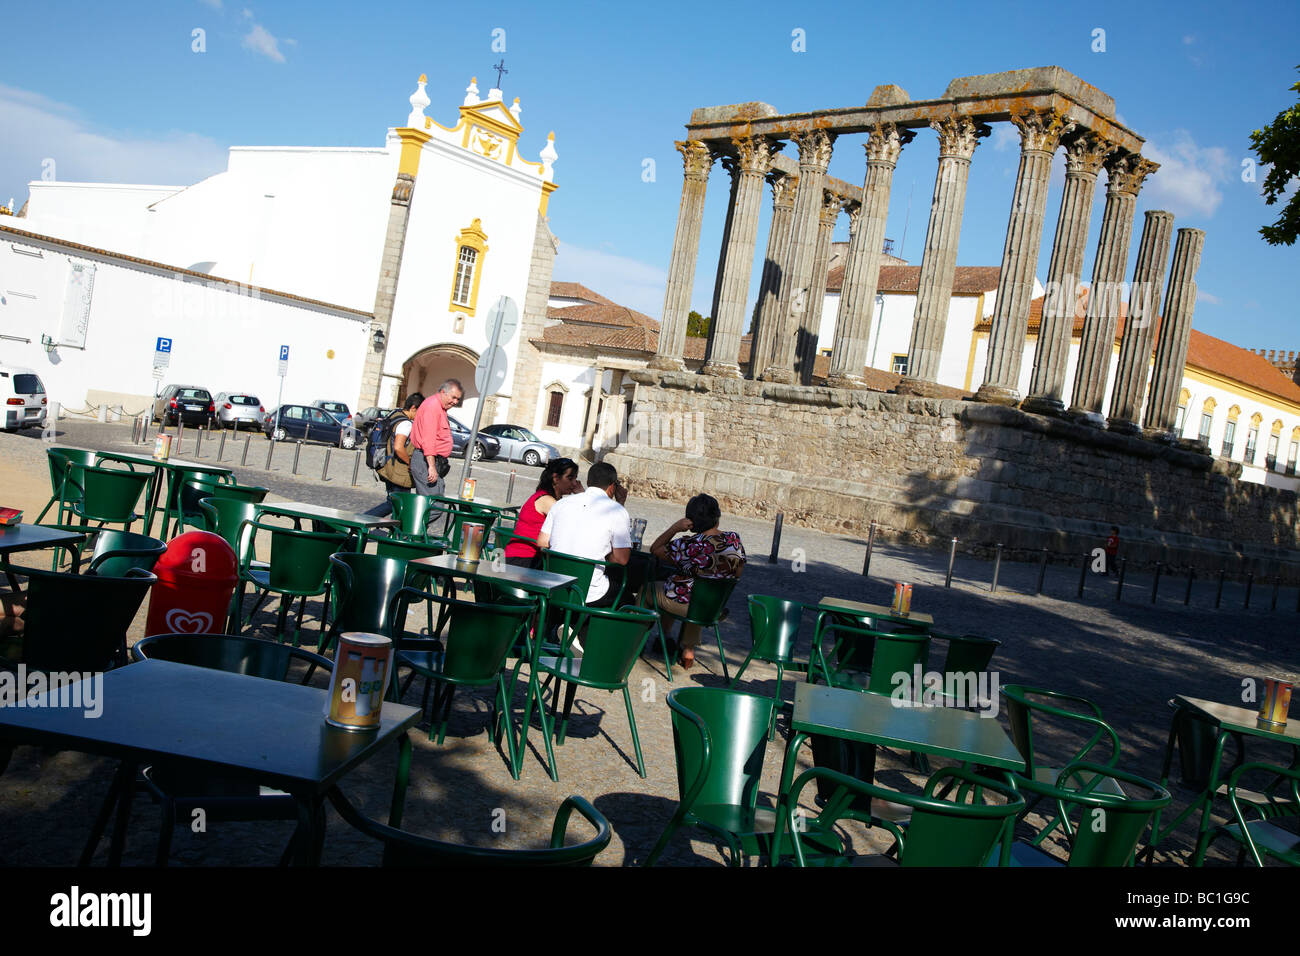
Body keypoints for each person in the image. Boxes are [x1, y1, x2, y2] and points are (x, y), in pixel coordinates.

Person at [649, 494, 745, 669]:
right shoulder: (734, 540)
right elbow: (738, 572)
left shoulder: (688, 545)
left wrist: (675, 528)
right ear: (717, 517)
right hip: (714, 607)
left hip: (687, 604)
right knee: (696, 590)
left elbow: (655, 549)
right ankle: (688, 649)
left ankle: (644, 636)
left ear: (691, 521)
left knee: (653, 589)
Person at [537, 461, 630, 607]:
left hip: (554, 585)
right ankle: (580, 628)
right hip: (589, 593)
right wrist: (604, 555)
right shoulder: (617, 511)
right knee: (627, 598)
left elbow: (542, 541)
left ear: (588, 482)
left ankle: (569, 626)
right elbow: (622, 559)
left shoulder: (561, 504)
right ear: (612, 486)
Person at [505, 458, 582, 568]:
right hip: (523, 560)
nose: (575, 483)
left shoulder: (547, 497)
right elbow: (576, 520)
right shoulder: (546, 500)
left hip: (530, 557)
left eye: (575, 479)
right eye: (570, 478)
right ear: (556, 478)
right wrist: (582, 495)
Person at [364, 391, 424, 518]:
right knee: (397, 505)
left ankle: (391, 532)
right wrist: (409, 462)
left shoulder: (394, 414)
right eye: (420, 411)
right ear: (413, 408)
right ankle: (362, 520)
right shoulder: (406, 424)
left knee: (395, 504)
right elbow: (398, 447)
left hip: (387, 466)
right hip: (398, 472)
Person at [409, 379, 463, 498]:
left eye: (458, 399)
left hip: (431, 461)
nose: (455, 402)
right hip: (425, 461)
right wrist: (432, 467)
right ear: (443, 392)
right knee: (433, 506)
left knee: (430, 503)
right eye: (453, 397)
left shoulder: (440, 408)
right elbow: (428, 440)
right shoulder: (433, 407)